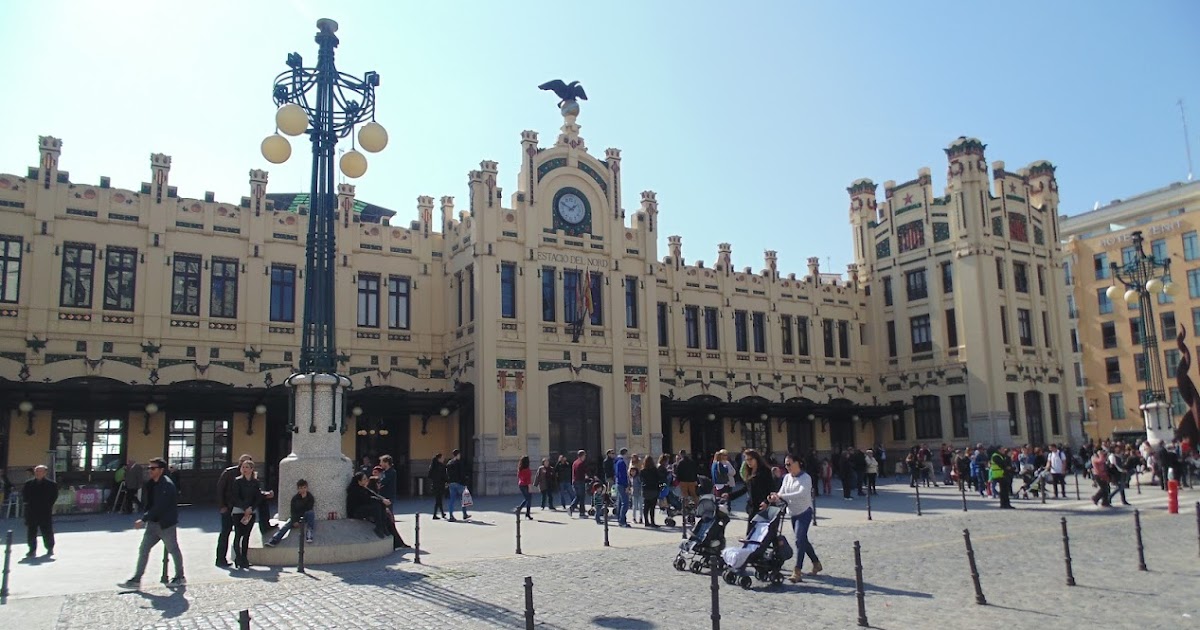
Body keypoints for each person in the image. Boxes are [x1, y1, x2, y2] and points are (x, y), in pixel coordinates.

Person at [118, 458, 185, 588]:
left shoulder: (166, 485)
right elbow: (150, 504)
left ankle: (180, 576)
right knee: (143, 549)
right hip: (153, 524)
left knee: (173, 549)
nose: (150, 470)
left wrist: (143, 519)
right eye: (149, 468)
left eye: (153, 468)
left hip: (165, 524)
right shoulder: (152, 483)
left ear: (161, 470)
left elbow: (159, 506)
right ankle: (136, 579)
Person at [771, 455, 821, 583]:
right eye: (785, 465)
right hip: (793, 513)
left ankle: (797, 571)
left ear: (798, 463)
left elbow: (801, 493)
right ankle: (816, 563)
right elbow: (781, 492)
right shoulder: (786, 478)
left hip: (804, 512)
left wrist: (782, 495)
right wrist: (775, 497)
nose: (787, 467)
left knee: (799, 540)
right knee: (803, 540)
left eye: (789, 464)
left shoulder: (806, 478)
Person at [215, 454, 254, 568]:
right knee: (225, 532)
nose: (244, 465)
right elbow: (220, 489)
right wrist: (222, 505)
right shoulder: (229, 472)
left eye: (247, 462)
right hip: (228, 507)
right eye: (242, 462)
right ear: (239, 462)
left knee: (240, 534)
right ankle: (220, 559)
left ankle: (240, 560)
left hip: (242, 510)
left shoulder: (250, 476)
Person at [723, 449, 775, 530]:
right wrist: (730, 496)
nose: (748, 462)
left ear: (756, 459)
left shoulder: (765, 471)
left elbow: (771, 488)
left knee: (765, 533)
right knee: (751, 533)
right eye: (747, 460)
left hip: (763, 506)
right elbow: (746, 488)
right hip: (753, 506)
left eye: (750, 459)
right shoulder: (749, 471)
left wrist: (766, 502)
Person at [229, 459, 263, 569]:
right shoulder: (237, 481)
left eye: (247, 467)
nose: (244, 469)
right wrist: (244, 507)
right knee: (238, 534)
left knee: (247, 536)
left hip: (251, 512)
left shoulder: (255, 482)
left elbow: (258, 497)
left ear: (252, 469)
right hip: (239, 511)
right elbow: (235, 497)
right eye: (243, 467)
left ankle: (245, 558)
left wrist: (251, 508)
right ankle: (237, 558)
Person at [265, 479, 316, 547]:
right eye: (300, 488)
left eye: (304, 487)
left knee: (311, 513)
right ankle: (273, 540)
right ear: (298, 489)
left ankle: (309, 534)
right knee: (286, 525)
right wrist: (295, 521)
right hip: (296, 517)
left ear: (307, 488)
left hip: (306, 516)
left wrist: (304, 499)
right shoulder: (295, 498)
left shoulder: (310, 497)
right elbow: (293, 511)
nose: (303, 490)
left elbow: (309, 508)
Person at [22, 465, 58, 558]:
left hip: (45, 511)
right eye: (36, 471)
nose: (38, 473)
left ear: (45, 472)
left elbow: (54, 496)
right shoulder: (28, 484)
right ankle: (32, 550)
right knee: (31, 532)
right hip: (31, 511)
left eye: (40, 471)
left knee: (47, 531)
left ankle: (50, 548)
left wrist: (48, 505)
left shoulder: (51, 484)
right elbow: (24, 496)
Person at [347, 472, 393, 539]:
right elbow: (368, 498)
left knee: (381, 504)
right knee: (376, 506)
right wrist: (381, 500)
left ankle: (383, 526)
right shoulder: (354, 490)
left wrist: (383, 499)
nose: (366, 480)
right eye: (364, 479)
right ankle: (379, 527)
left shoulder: (363, 488)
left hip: (362, 509)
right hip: (355, 512)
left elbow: (373, 494)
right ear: (359, 481)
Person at [445, 449, 470, 522]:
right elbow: (462, 474)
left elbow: (446, 473)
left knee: (452, 500)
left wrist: (448, 481)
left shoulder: (449, 463)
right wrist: (465, 483)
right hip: (459, 483)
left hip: (451, 483)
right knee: (463, 499)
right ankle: (464, 514)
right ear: (458, 454)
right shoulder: (459, 463)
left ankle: (451, 516)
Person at [639, 455, 660, 528]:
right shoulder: (654, 469)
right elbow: (658, 479)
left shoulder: (642, 471)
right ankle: (652, 522)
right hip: (653, 489)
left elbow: (641, 480)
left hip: (645, 489)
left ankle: (646, 522)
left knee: (646, 507)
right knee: (652, 507)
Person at [614, 448, 631, 527]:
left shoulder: (617, 461)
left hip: (618, 483)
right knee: (625, 503)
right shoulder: (622, 462)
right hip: (622, 484)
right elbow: (623, 475)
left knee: (620, 502)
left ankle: (620, 519)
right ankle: (622, 521)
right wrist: (626, 485)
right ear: (625, 453)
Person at [427, 453, 447, 519]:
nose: (443, 459)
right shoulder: (442, 466)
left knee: (438, 500)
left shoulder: (432, 466)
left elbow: (429, 476)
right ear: (439, 459)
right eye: (442, 458)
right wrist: (446, 482)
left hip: (435, 485)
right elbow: (444, 476)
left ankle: (441, 513)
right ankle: (435, 514)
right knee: (439, 500)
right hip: (440, 485)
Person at [571, 450, 589, 520]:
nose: (585, 457)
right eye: (584, 455)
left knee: (578, 496)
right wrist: (587, 477)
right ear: (582, 456)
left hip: (574, 481)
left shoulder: (575, 462)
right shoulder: (581, 463)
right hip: (580, 481)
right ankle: (581, 513)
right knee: (582, 497)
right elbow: (582, 473)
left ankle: (571, 508)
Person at [629, 455, 643, 524]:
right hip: (633, 493)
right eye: (631, 471)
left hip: (639, 493)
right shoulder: (631, 478)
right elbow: (630, 485)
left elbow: (641, 484)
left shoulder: (638, 477)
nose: (632, 472)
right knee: (634, 506)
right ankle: (634, 518)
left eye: (633, 471)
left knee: (640, 506)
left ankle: (641, 518)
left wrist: (641, 490)